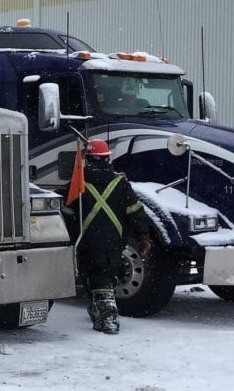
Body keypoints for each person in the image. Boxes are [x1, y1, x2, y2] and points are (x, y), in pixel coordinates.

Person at [62, 138, 153, 334]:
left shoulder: (77, 183)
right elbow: (135, 212)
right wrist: (144, 236)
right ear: (107, 158)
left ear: (89, 159)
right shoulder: (121, 183)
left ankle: (108, 318)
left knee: (95, 275)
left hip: (88, 241)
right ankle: (99, 308)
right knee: (109, 273)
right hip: (114, 242)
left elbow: (66, 213)